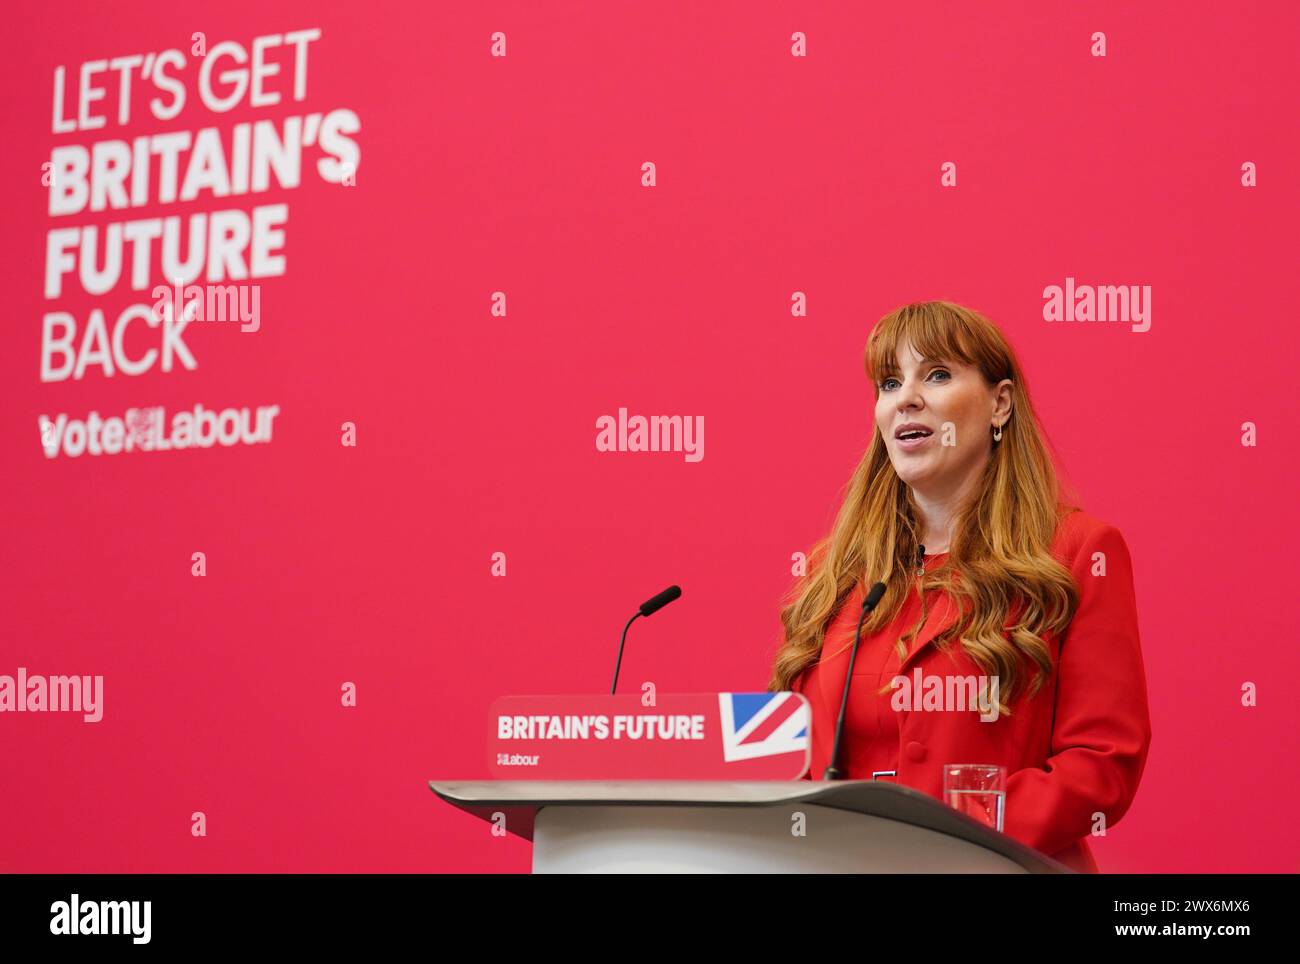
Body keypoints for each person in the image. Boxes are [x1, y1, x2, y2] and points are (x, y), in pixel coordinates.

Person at [769, 300, 1151, 873]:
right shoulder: (837, 572)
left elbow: (1101, 763)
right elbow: (792, 757)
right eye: (890, 382)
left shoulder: (1075, 552)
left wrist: (947, 837)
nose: (906, 398)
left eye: (938, 375)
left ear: (1001, 402)